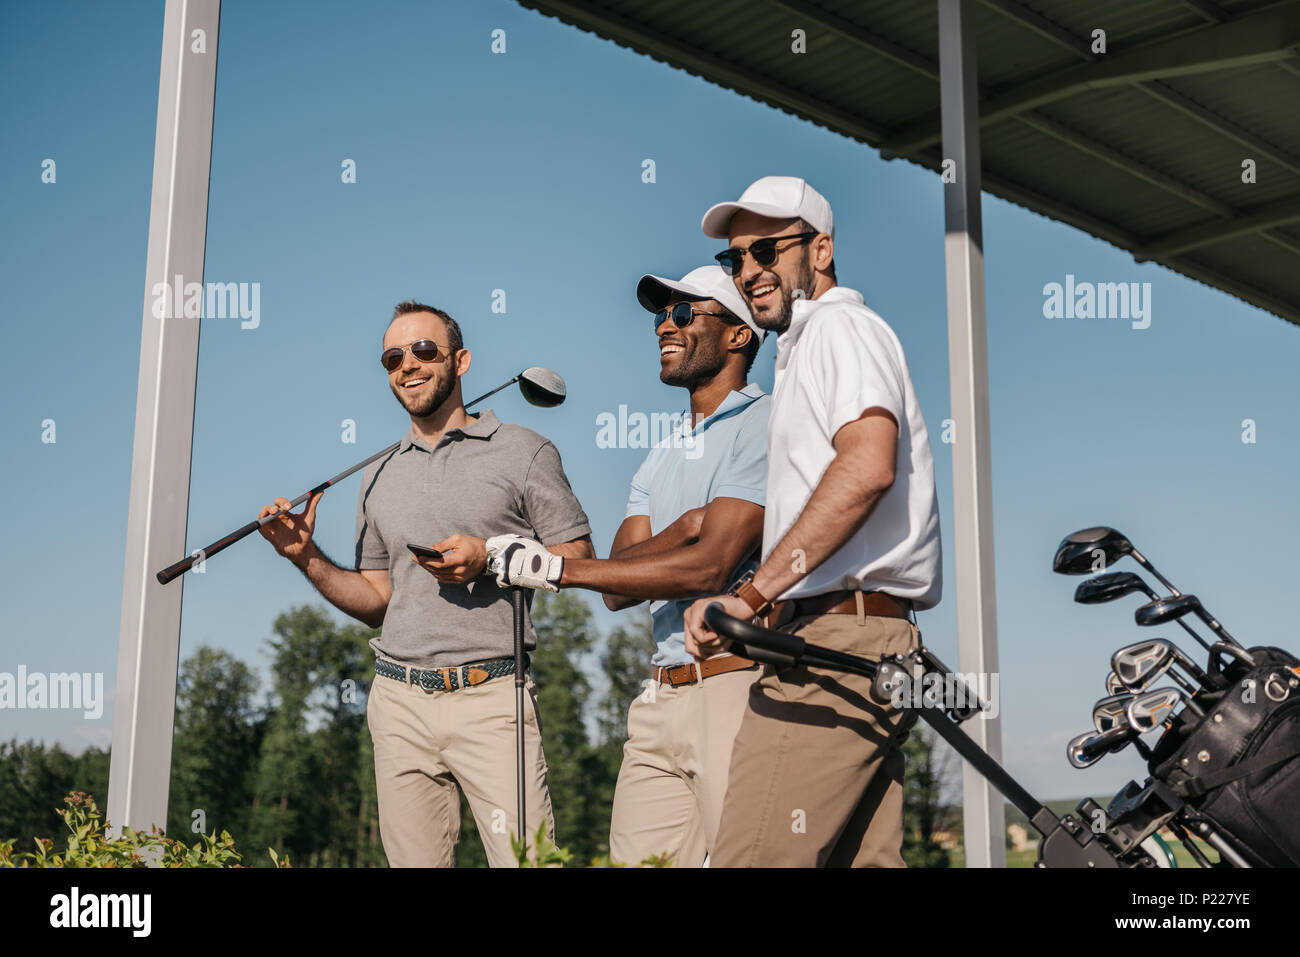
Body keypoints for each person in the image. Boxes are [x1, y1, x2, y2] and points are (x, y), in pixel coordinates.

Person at [256, 300, 594, 867]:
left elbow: (577, 557)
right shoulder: (377, 472)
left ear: (460, 360)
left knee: (529, 863)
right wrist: (304, 555)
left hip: (493, 697)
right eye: (393, 357)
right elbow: (376, 601)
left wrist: (490, 558)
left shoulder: (525, 450)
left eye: (424, 350)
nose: (407, 365)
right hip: (397, 700)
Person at [682, 176, 943, 867]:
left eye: (766, 250)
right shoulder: (807, 345)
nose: (749, 272)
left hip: (836, 643)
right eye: (735, 260)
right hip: (861, 639)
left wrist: (748, 595)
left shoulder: (839, 327)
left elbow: (866, 469)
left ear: (820, 249)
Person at [484, 265, 769, 866]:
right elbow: (619, 585)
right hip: (660, 697)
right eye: (661, 315)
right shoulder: (661, 454)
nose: (665, 324)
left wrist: (556, 569)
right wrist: (686, 526)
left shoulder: (767, 423)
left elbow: (709, 568)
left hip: (739, 685)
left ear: (740, 334)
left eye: (685, 313)